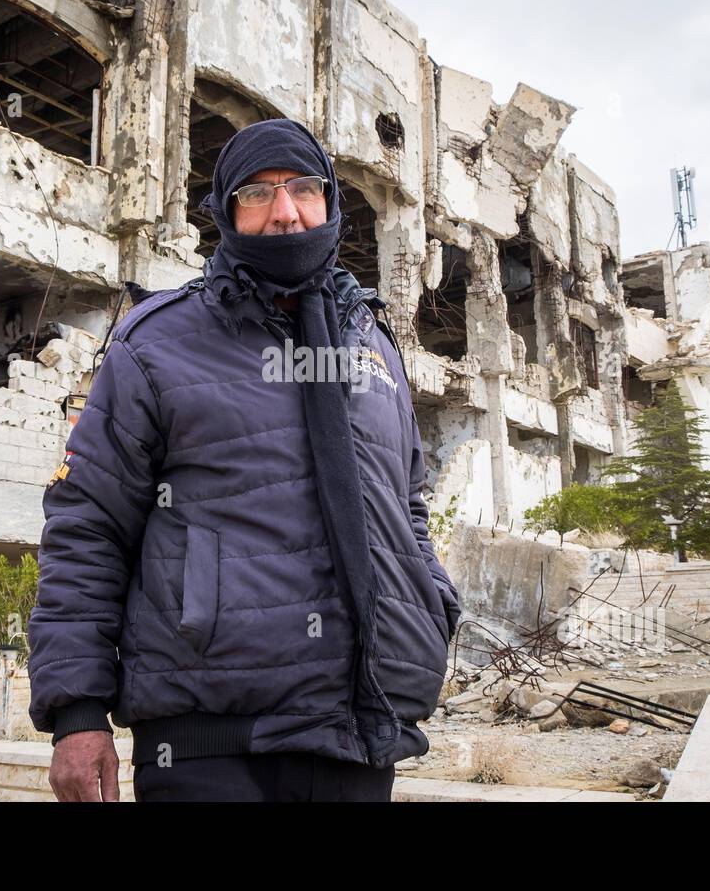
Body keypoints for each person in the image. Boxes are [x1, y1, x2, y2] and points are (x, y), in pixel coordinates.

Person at [28, 117, 462, 802]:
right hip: (206, 744)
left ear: (329, 203)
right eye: (257, 194)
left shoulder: (374, 348)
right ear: (227, 213)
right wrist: (77, 714)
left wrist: (431, 605)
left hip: (356, 733)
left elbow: (407, 505)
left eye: (302, 189)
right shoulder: (156, 344)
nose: (285, 213)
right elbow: (88, 527)